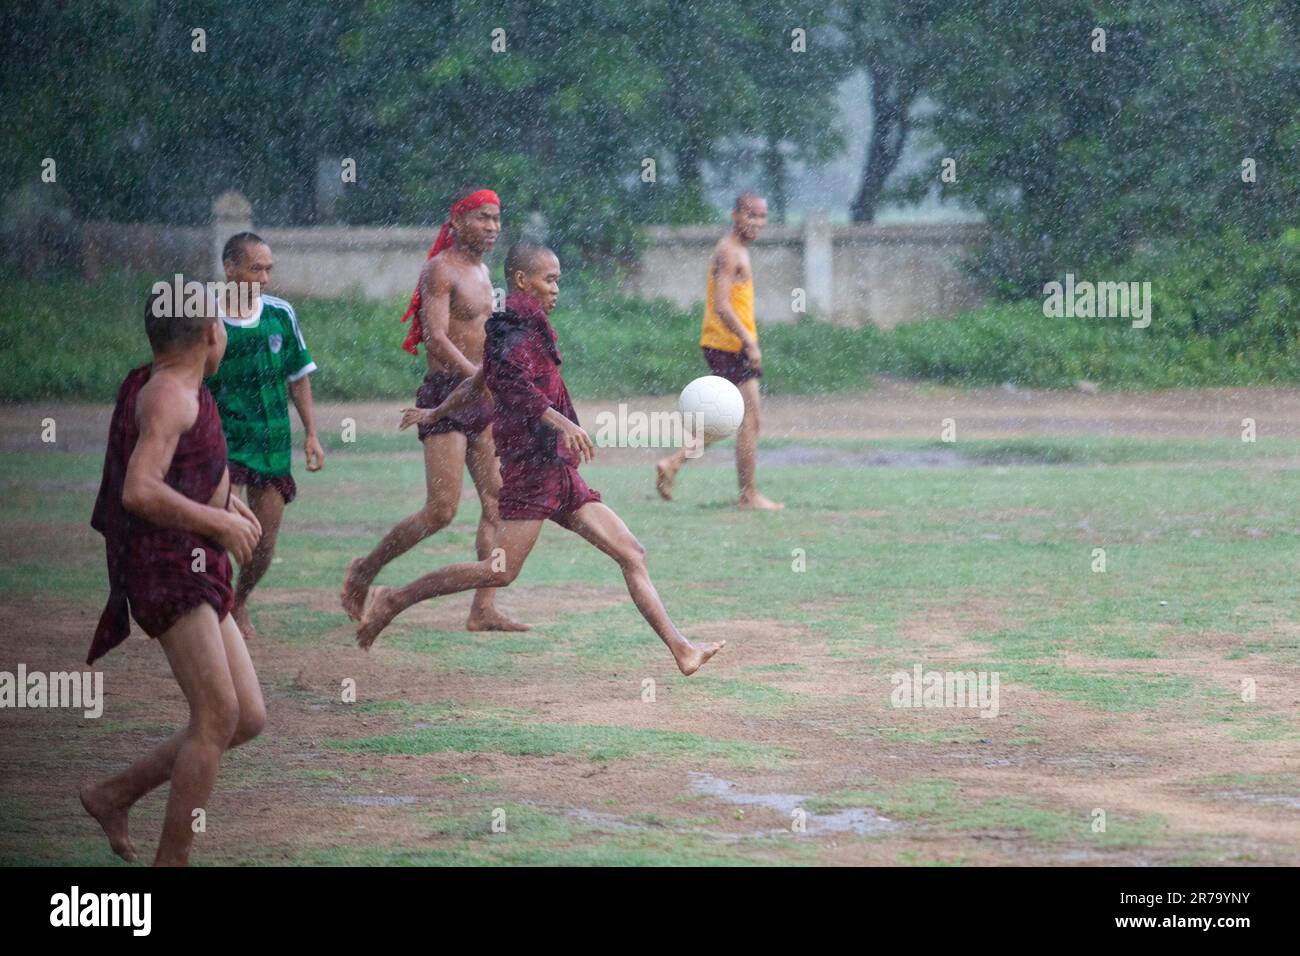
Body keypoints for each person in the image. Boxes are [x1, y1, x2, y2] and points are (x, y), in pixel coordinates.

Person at [357, 242, 725, 677]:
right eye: (549, 280)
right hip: (532, 472)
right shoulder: (511, 335)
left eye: (558, 280)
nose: (556, 288)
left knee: (632, 553)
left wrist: (436, 412)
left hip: (559, 471)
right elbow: (514, 389)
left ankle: (682, 649)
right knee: (498, 571)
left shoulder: (526, 328)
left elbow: (478, 383)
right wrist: (563, 423)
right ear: (521, 281)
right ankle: (395, 599)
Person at [80, 288, 265, 867]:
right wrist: (214, 517)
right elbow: (140, 489)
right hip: (168, 569)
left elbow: (180, 471)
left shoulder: (183, 389)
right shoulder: (168, 395)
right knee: (217, 715)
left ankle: (113, 794)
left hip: (192, 564)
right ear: (212, 330)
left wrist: (224, 501)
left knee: (246, 717)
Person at [341, 188, 529, 632]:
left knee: (497, 502)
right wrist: (475, 378)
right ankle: (364, 571)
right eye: (483, 217)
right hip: (447, 393)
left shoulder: (485, 273)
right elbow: (435, 336)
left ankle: (482, 610)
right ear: (457, 219)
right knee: (441, 511)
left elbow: (487, 335)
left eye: (497, 219)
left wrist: (499, 374)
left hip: (479, 395)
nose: (492, 227)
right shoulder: (439, 270)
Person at [205, 232, 324, 639]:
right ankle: (214, 609)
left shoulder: (279, 314)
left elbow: (298, 376)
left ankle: (239, 599)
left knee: (263, 542)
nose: (265, 278)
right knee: (221, 528)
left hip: (272, 440)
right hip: (220, 440)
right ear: (230, 268)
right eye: (257, 268)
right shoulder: (205, 316)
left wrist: (311, 433)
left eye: (269, 269)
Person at [656, 193, 783, 510]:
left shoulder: (738, 250)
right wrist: (748, 341)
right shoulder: (729, 251)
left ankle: (674, 463)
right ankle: (748, 496)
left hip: (727, 343)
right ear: (735, 215)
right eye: (751, 215)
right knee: (749, 421)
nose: (757, 223)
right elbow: (722, 305)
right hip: (729, 345)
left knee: (737, 420)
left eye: (763, 217)